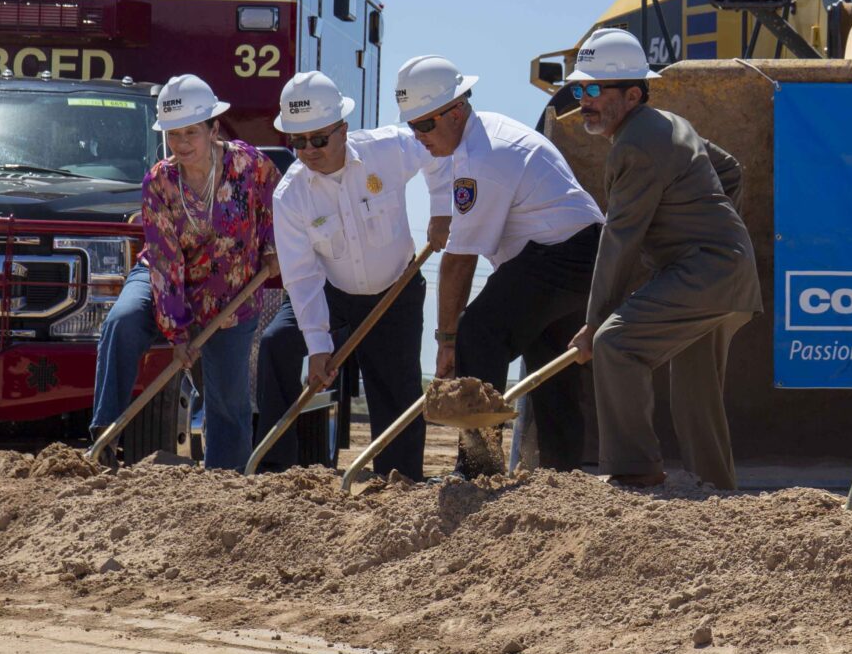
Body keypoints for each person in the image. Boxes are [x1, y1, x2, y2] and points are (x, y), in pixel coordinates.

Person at [565, 28, 761, 490]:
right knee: (697, 388)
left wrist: (594, 323)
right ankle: (715, 484)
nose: (584, 101)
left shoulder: (635, 145)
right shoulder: (670, 123)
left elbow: (620, 239)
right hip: (729, 273)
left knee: (616, 344)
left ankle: (634, 470)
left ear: (632, 94)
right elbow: (730, 171)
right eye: (578, 90)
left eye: (595, 90)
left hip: (702, 276)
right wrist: (710, 232)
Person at [398, 53, 604, 472]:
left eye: (424, 125)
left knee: (478, 332)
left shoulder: (482, 158)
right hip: (582, 255)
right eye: (412, 126)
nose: (419, 136)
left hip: (562, 255)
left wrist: (447, 340)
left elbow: (459, 262)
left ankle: (479, 466)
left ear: (456, 111)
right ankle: (562, 473)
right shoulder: (480, 138)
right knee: (551, 361)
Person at [255, 71, 447, 479]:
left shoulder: (388, 149)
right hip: (331, 293)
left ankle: (399, 482)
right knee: (278, 344)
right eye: (298, 142)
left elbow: (440, 153)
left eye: (319, 139)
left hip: (395, 289)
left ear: (342, 129)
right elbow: (302, 277)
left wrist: (442, 209)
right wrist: (318, 345)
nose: (309, 151)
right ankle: (275, 472)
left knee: (395, 388)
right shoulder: (290, 196)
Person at [89, 74, 282, 472]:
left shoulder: (251, 166)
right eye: (173, 134)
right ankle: (104, 434)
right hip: (164, 280)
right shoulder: (159, 182)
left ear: (214, 129)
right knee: (122, 322)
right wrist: (178, 334)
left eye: (191, 132)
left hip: (232, 291)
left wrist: (273, 246)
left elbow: (278, 206)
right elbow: (165, 262)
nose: (182, 143)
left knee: (228, 402)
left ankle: (224, 480)